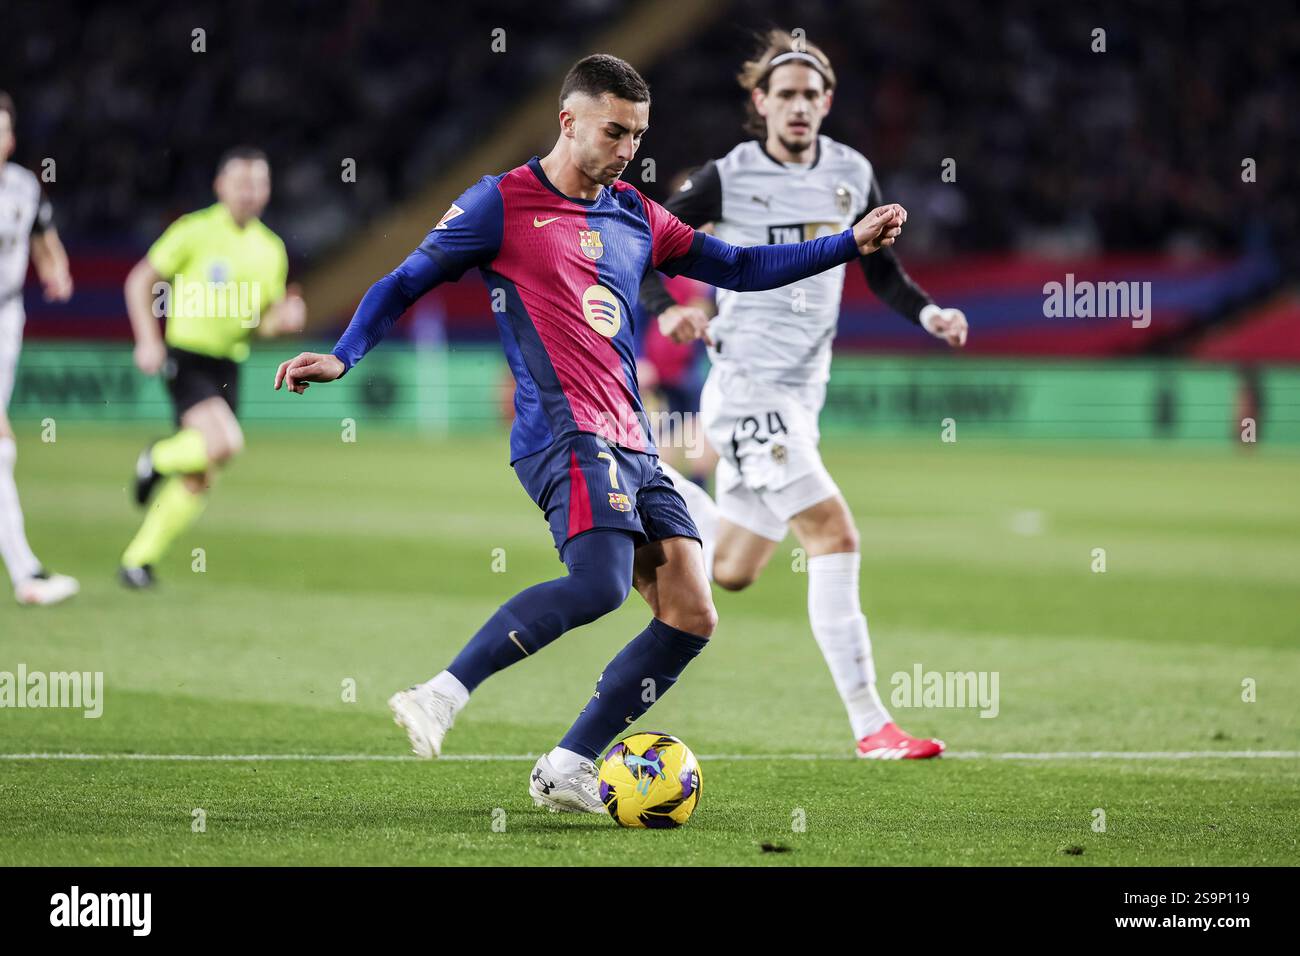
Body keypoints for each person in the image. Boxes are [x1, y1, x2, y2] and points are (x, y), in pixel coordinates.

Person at [274, 54, 907, 812]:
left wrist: (847, 243)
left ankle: (568, 764)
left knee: (691, 613)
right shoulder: (498, 204)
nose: (628, 149)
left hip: (635, 441)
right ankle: (441, 693)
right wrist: (344, 357)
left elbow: (736, 264)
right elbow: (402, 281)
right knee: (601, 584)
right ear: (568, 120)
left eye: (637, 135)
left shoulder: (635, 213)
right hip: (562, 431)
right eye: (615, 131)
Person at [640, 32, 969, 759]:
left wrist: (928, 313)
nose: (797, 105)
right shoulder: (730, 175)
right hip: (750, 385)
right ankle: (871, 726)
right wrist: (675, 304)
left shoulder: (852, 172)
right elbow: (648, 237)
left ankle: (645, 485)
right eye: (783, 94)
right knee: (834, 534)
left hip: (802, 394)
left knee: (731, 571)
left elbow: (879, 266)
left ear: (827, 103)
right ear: (760, 102)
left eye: (809, 94)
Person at [120, 146, 306, 588]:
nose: (250, 192)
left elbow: (258, 322)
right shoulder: (194, 231)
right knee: (224, 444)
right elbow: (140, 279)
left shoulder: (271, 249)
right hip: (187, 357)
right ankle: (157, 456)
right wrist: (148, 339)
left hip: (230, 364)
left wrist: (282, 324)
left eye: (259, 183)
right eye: (241, 183)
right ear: (220, 186)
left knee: (200, 474)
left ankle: (137, 561)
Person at [0, 91, 79, 606]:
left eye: (2, 129)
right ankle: (26, 572)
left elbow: (43, 234)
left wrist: (58, 269)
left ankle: (27, 572)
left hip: (7, 316)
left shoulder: (24, 186)